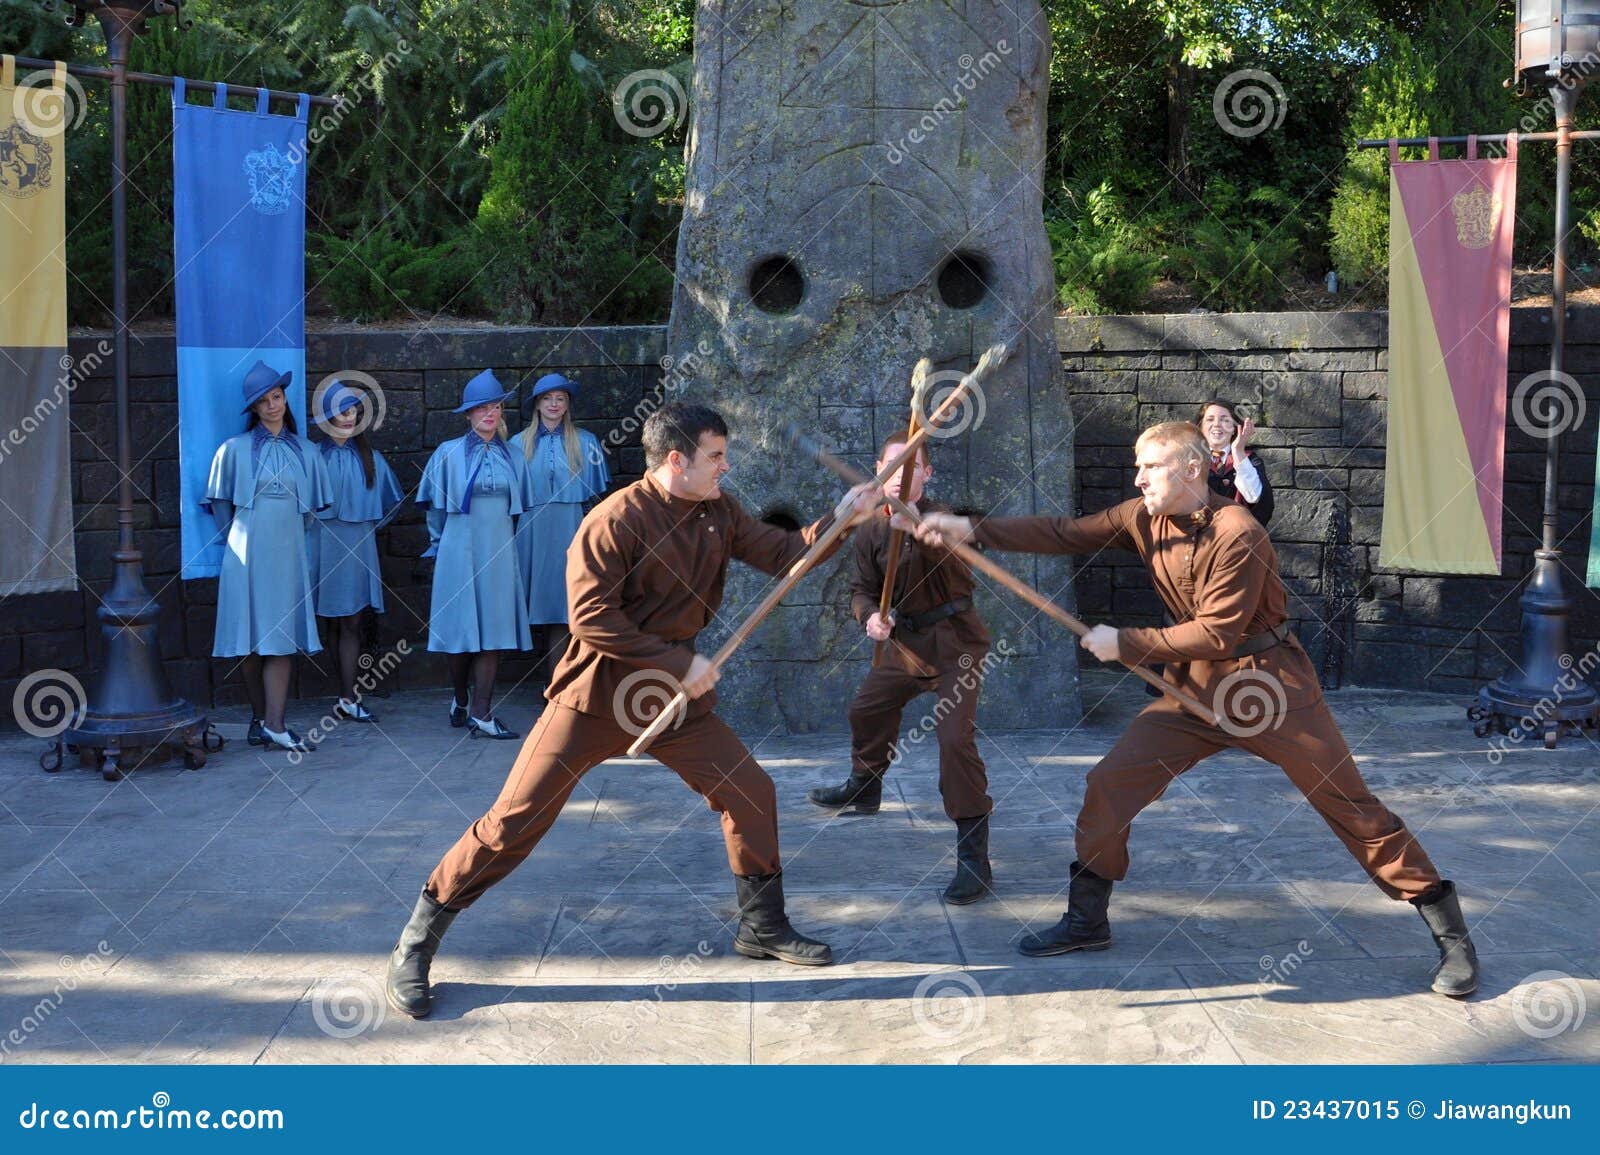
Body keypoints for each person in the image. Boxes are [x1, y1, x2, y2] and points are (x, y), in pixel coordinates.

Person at [909, 421, 1479, 998]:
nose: (1137, 478)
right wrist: (971, 528)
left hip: (1269, 689)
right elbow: (1064, 532)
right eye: (1138, 467)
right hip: (1193, 692)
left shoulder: (1241, 533)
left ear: (1190, 468)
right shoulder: (1141, 516)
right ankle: (1087, 921)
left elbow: (1216, 631)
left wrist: (1124, 643)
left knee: (1349, 805)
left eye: (1148, 467)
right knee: (1110, 783)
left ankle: (1450, 933)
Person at [384, 402, 881, 1019]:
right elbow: (591, 619)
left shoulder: (716, 512)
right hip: (596, 694)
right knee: (512, 822)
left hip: (674, 702)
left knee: (750, 790)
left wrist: (841, 520)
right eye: (715, 456)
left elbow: (784, 553)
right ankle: (416, 943)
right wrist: (680, 666)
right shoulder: (612, 520)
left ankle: (763, 927)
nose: (725, 467)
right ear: (677, 460)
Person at [808, 431, 995, 904]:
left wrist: (927, 528)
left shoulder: (946, 519)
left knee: (954, 741)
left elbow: (969, 548)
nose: (902, 476)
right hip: (906, 647)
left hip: (958, 646)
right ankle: (865, 787)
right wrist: (869, 617)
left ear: (927, 474)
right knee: (866, 709)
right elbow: (860, 589)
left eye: (912, 468)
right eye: (893, 468)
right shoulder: (869, 526)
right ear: (878, 470)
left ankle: (975, 858)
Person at [204, 360, 333, 755]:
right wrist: (242, 540)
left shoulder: (308, 452)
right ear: (254, 409)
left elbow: (311, 513)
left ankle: (277, 724)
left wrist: (285, 538)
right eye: (264, 401)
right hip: (245, 556)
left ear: (284, 399)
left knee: (280, 637)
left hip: (287, 555)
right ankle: (260, 721)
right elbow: (221, 504)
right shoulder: (233, 449)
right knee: (248, 641)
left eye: (276, 397)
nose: (272, 405)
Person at [417, 370, 531, 740]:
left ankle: (482, 712)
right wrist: (437, 545)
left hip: (497, 548)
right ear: (468, 414)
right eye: (481, 408)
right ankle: (461, 695)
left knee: (494, 630)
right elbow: (434, 509)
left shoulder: (514, 454)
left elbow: (520, 510)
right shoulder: (447, 453)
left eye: (495, 407)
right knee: (460, 629)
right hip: (457, 547)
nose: (489, 414)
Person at [310, 382, 403, 722]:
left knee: (350, 621)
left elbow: (391, 502)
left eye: (353, 412)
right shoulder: (312, 456)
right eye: (341, 412)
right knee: (332, 622)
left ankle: (349, 696)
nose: (348, 418)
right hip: (321, 544)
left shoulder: (371, 459)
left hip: (356, 546)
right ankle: (344, 691)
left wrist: (364, 529)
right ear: (326, 418)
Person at [510, 372, 609, 685]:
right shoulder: (516, 445)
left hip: (570, 528)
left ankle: (559, 684)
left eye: (560, 399)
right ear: (537, 405)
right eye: (547, 399)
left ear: (568, 406)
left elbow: (597, 501)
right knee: (527, 603)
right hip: (529, 531)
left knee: (565, 606)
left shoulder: (586, 442)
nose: (554, 404)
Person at [1197, 399, 1273, 526]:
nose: (1217, 424)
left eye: (1225, 420)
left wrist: (1238, 451)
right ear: (1200, 427)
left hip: (1238, 536)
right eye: (1210, 419)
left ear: (1234, 429)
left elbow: (1255, 498)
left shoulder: (1250, 460)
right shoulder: (1191, 461)